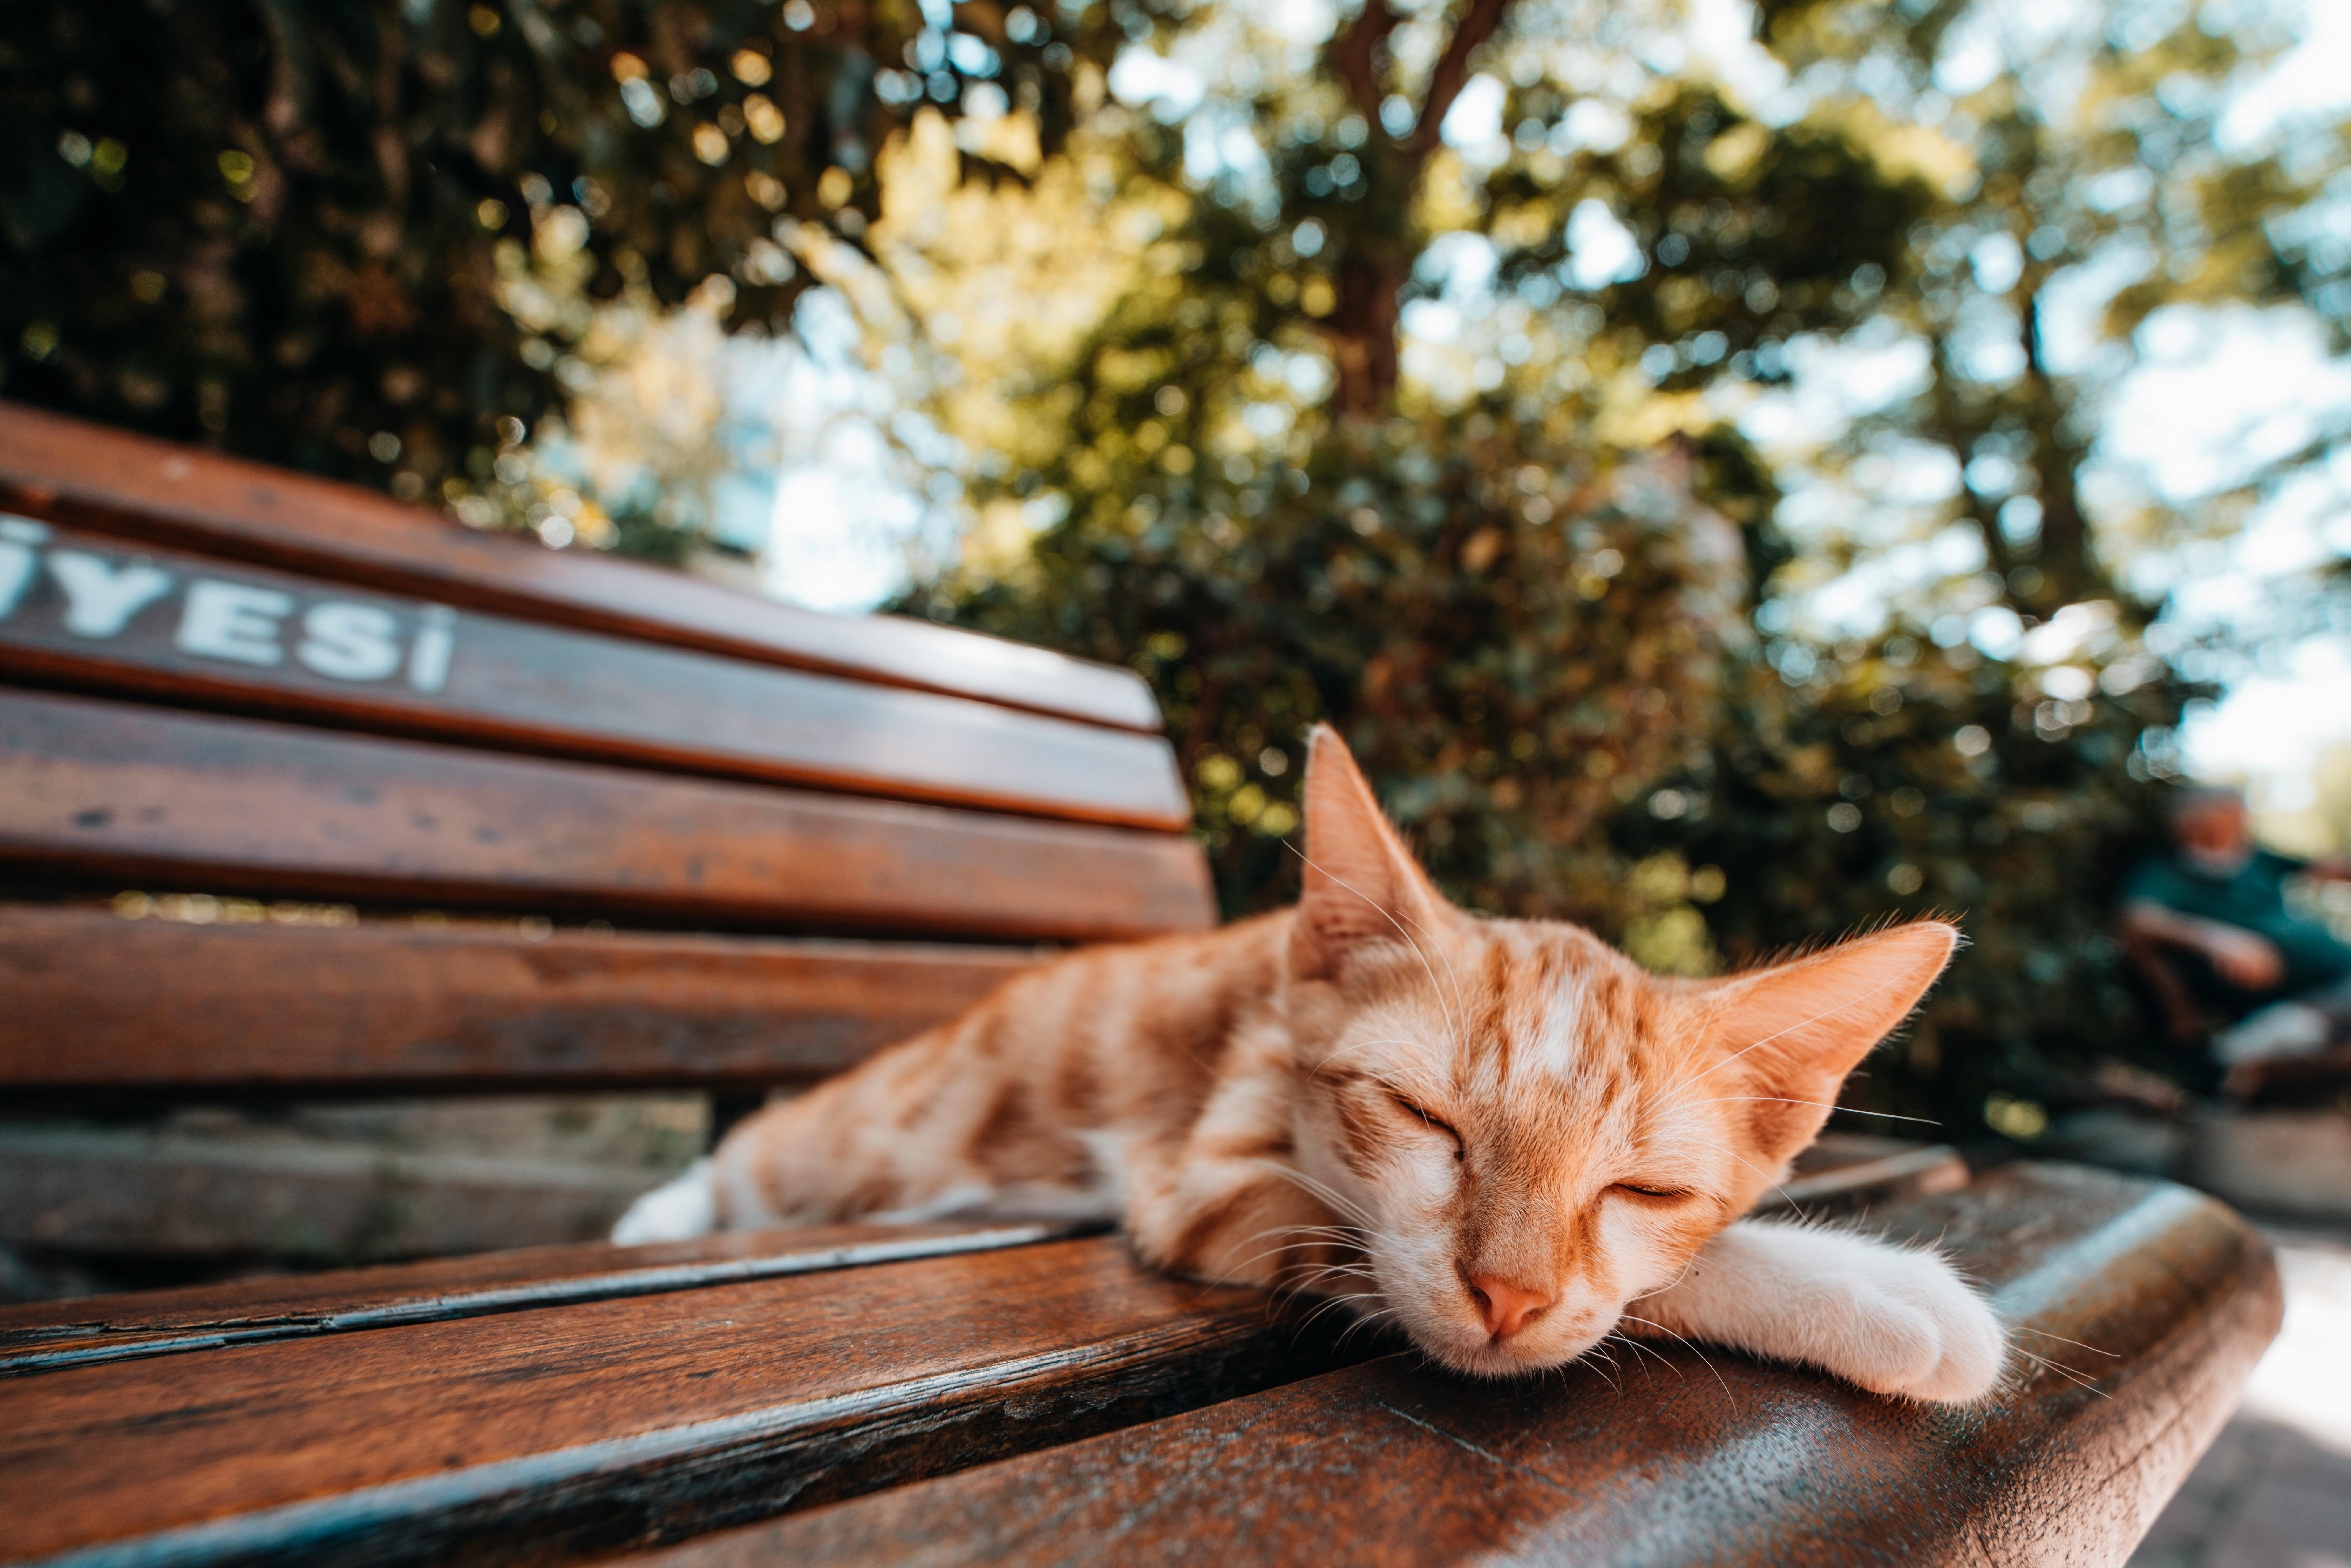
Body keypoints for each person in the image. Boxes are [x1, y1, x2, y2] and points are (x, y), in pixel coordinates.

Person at [2118, 785, 2351, 1092]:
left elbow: (2323, 868)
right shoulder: (2166, 872)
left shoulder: (2255, 857)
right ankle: (2268, 1040)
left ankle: (2289, 1031)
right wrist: (2214, 939)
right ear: (2192, 820)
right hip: (2289, 990)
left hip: (2337, 973)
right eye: (2229, 815)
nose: (2241, 822)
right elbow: (2135, 920)